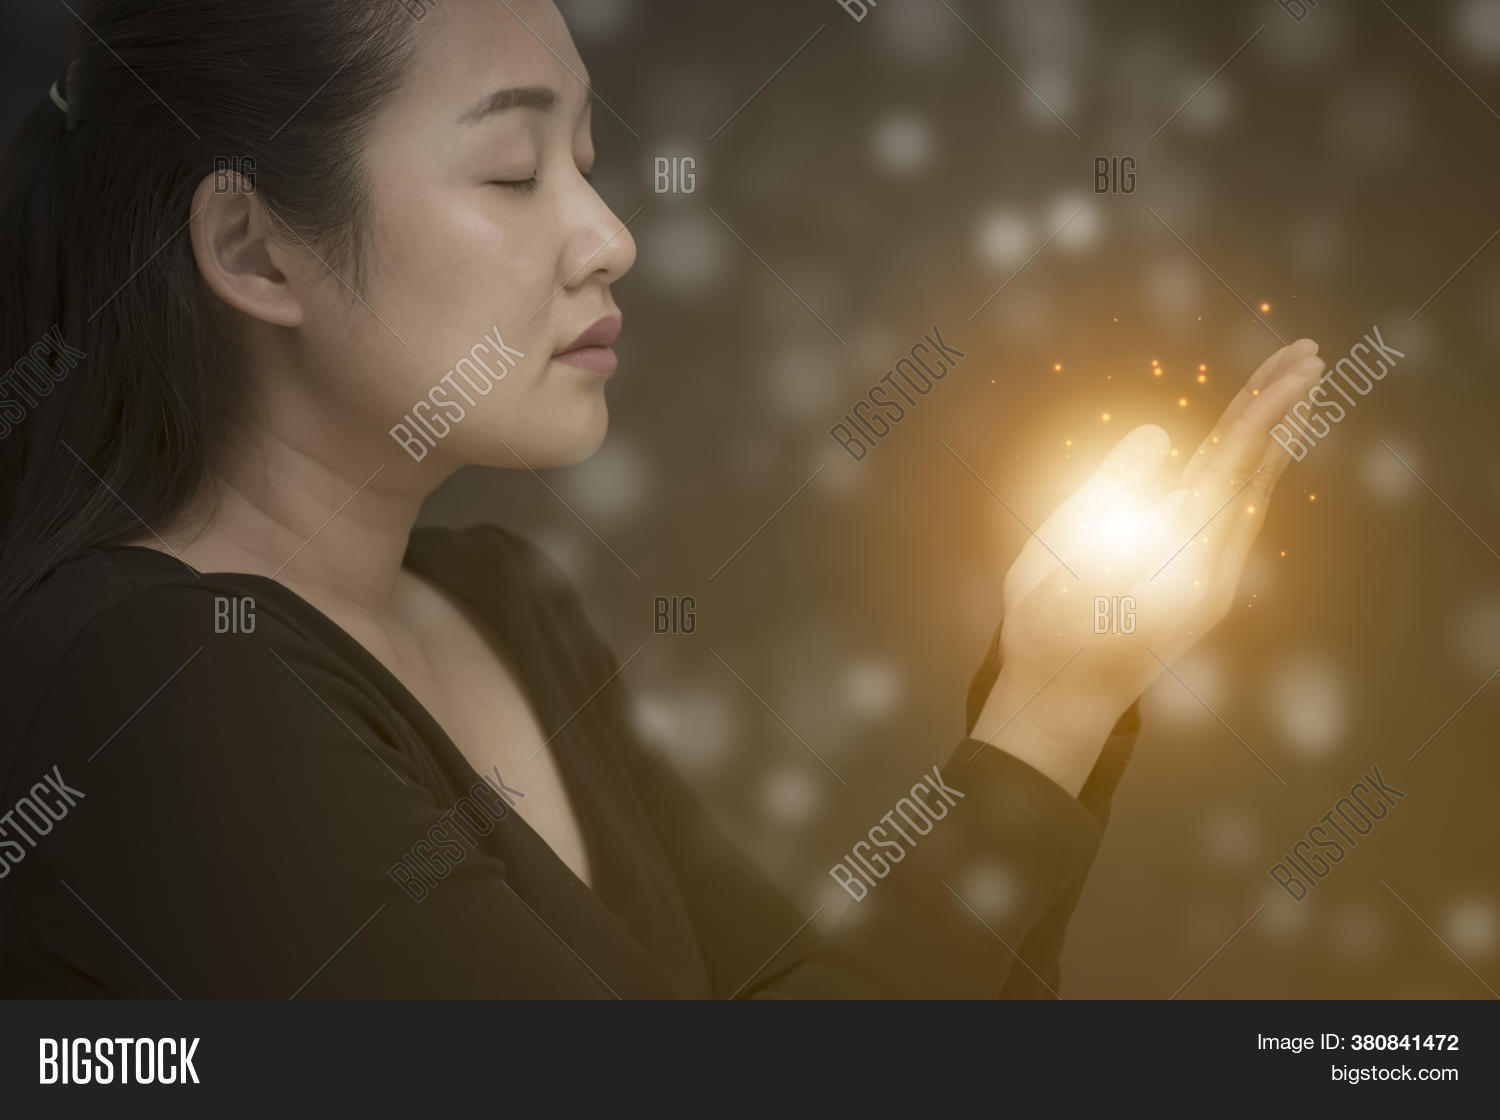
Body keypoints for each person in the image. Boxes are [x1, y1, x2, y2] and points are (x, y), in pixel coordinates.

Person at [0, 0, 1325, 997]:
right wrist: (1046, 715)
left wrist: (1065, 695)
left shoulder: (507, 604)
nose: (609, 236)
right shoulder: (148, 690)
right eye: (514, 172)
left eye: (585, 160)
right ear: (252, 249)